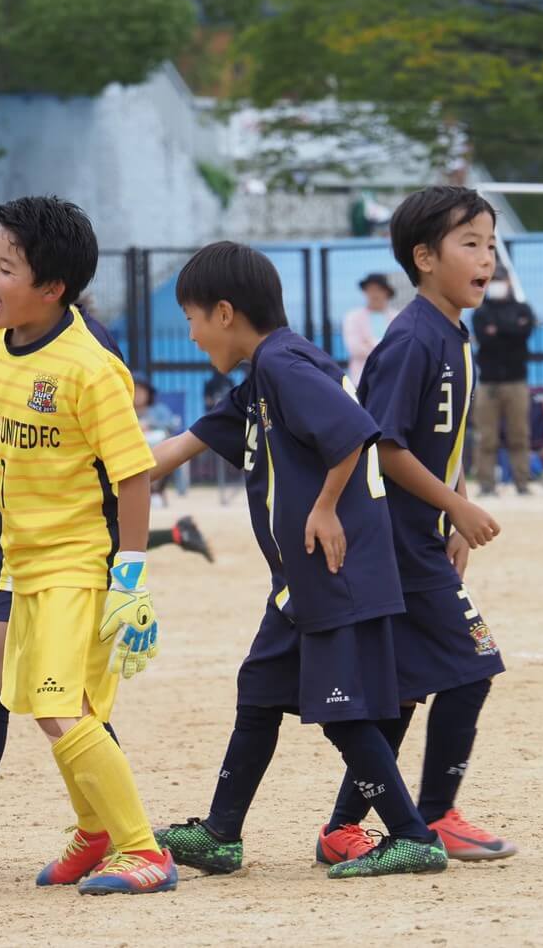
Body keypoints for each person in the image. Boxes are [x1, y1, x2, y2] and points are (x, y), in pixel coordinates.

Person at [0, 232, 210, 881]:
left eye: (6, 268)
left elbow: (133, 473)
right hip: (21, 562)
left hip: (77, 562)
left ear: (52, 287)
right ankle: (94, 832)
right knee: (52, 703)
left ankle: (141, 849)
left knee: (59, 705)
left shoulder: (90, 364)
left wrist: (129, 577)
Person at [147, 241, 444, 879]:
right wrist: (89, 468)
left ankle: (414, 836)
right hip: (297, 580)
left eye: (193, 318)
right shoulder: (260, 377)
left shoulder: (284, 363)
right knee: (259, 690)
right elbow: (179, 447)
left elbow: (353, 428)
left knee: (340, 710)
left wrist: (326, 506)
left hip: (332, 572)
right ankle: (221, 833)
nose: (193, 334)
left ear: (224, 312)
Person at [319, 185, 515, 865]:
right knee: (474, 663)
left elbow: (444, 440)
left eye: (490, 245)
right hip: (396, 543)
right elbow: (386, 444)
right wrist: (455, 507)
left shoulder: (452, 331)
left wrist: (453, 509)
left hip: (420, 538)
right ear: (424, 257)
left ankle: (343, 826)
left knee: (402, 689)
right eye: (471, 244)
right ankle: (437, 812)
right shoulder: (410, 339)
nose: (486, 257)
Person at [471, 265, 536, 495]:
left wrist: (497, 330)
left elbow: (524, 333)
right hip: (488, 383)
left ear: (509, 282)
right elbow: (485, 338)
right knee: (486, 437)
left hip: (516, 381)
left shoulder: (523, 309)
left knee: (519, 434)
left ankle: (522, 482)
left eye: (501, 279)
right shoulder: (481, 312)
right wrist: (510, 330)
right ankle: (486, 484)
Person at [342, 272, 399, 385]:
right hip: (361, 379)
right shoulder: (353, 317)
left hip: (392, 379)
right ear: (365, 292)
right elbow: (354, 348)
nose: (374, 294)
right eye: (371, 290)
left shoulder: (398, 317)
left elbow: (401, 348)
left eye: (378, 289)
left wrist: (369, 342)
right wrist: (385, 345)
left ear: (386, 292)